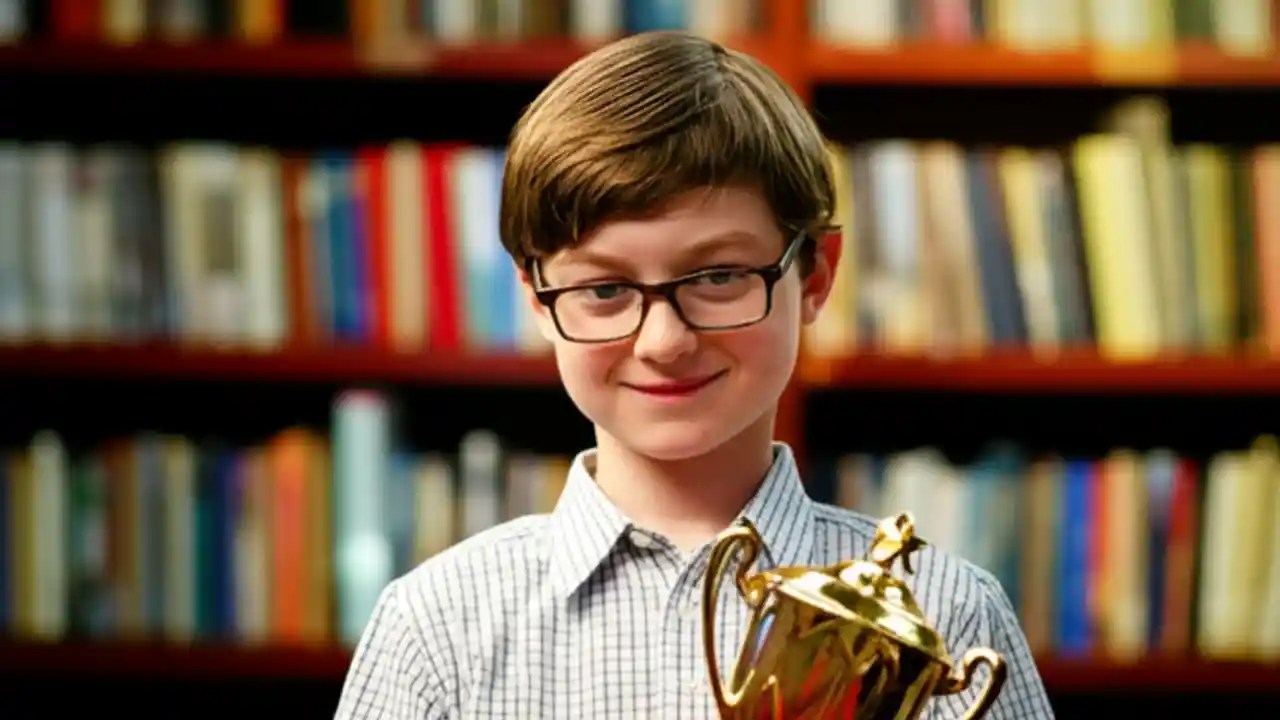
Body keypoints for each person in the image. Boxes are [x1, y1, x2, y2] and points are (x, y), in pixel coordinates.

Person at [334, 30, 1054, 719]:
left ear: (813, 276)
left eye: (717, 276)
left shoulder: (947, 612)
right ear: (537, 301)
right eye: (604, 290)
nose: (665, 340)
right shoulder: (436, 629)